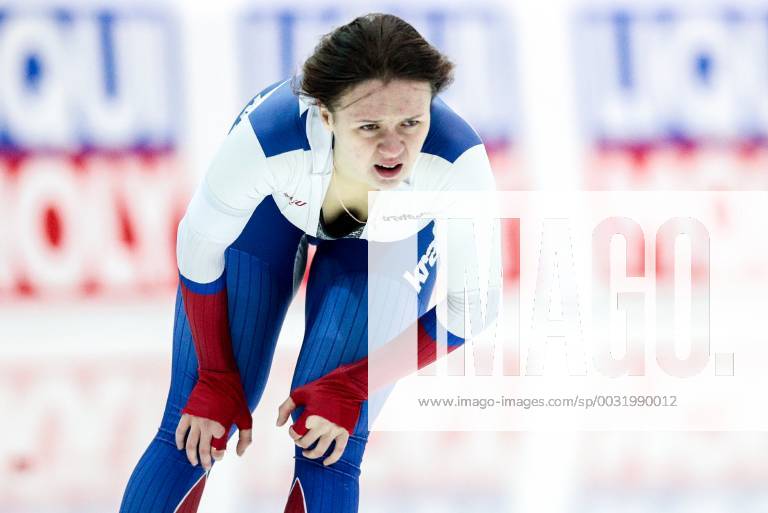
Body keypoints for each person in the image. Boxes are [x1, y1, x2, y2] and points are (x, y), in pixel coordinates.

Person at [119, 12, 501, 513]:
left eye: (412, 122)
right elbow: (198, 247)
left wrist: (354, 383)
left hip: (389, 241)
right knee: (195, 426)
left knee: (327, 437)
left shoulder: (456, 163)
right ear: (326, 117)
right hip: (274, 211)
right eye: (369, 126)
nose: (394, 148)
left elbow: (475, 309)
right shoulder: (269, 142)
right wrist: (213, 372)